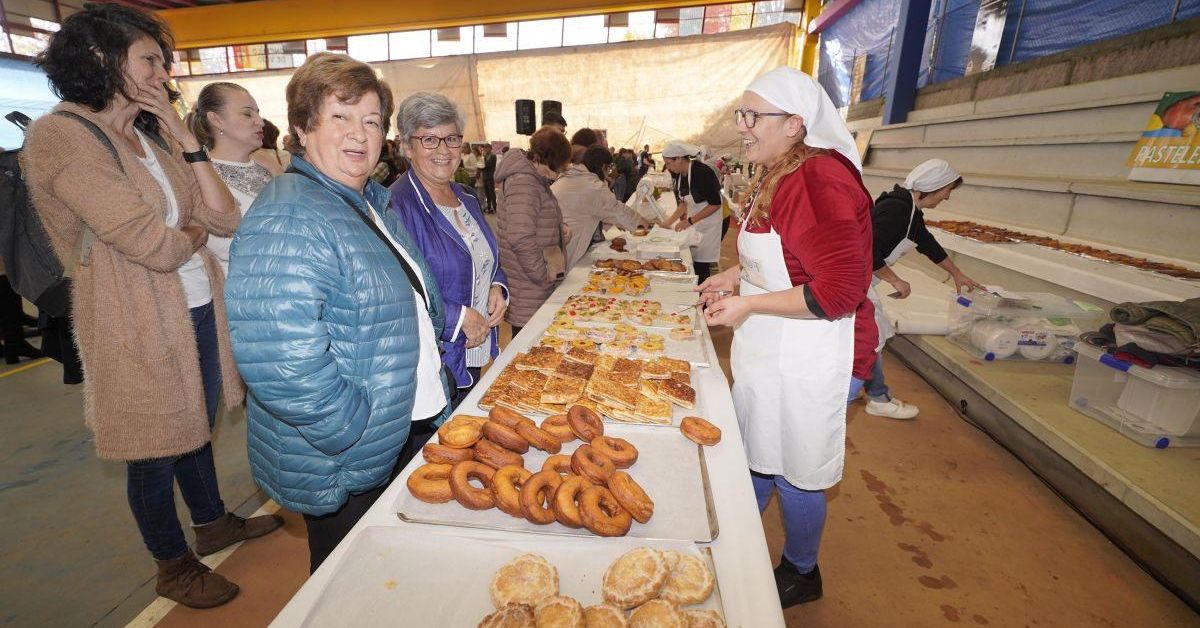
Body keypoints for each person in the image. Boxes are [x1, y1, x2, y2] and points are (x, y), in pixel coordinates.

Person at [23, 4, 282, 608]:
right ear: (100, 59)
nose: (163, 74)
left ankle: (213, 520)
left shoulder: (148, 134)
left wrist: (186, 138)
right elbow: (154, 244)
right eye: (149, 60)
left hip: (193, 303)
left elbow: (221, 215)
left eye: (164, 63)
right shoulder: (61, 136)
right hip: (132, 315)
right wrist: (188, 236)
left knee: (195, 424)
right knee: (152, 444)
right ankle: (172, 563)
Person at [225, 53, 450, 573]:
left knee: (389, 573)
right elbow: (281, 361)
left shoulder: (360, 200)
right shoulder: (291, 212)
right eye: (341, 117)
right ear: (303, 128)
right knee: (349, 582)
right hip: (346, 458)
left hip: (390, 433)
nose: (360, 134)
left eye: (372, 121)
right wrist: (354, 429)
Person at [697, 67, 877, 608]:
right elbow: (784, 260)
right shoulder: (780, 171)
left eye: (755, 116)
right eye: (742, 114)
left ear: (796, 124)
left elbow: (841, 290)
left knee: (797, 470)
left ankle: (802, 571)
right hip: (777, 346)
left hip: (816, 352)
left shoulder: (818, 180)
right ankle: (736, 548)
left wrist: (749, 303)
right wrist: (736, 277)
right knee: (758, 453)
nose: (743, 127)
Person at [389, 92, 509, 408]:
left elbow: (484, 257)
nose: (444, 150)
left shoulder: (466, 197)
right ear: (406, 146)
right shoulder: (396, 207)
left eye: (452, 139)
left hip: (473, 348)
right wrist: (457, 318)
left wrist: (498, 285)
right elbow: (398, 291)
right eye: (429, 140)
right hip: (434, 362)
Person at [865, 158, 984, 419]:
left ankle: (868, 394)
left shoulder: (909, 209)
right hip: (854, 280)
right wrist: (895, 279)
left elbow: (926, 243)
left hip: (860, 280)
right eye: (947, 190)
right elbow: (865, 251)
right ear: (934, 186)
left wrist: (957, 273)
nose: (947, 197)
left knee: (866, 338)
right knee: (870, 336)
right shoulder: (897, 210)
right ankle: (876, 397)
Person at [184, 82, 274, 276]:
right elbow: (226, 243)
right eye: (247, 114)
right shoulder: (200, 173)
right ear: (216, 119)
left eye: (258, 113)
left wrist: (276, 169)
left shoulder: (267, 165)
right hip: (239, 290)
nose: (260, 121)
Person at [496, 126, 571, 338]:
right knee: (528, 346)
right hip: (529, 285)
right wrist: (542, 274)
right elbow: (520, 237)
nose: (560, 173)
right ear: (545, 159)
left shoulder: (532, 177)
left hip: (531, 281)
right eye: (558, 167)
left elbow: (532, 221)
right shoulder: (525, 182)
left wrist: (558, 229)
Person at [553, 144, 651, 269]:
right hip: (566, 249)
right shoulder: (592, 186)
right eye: (608, 168)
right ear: (603, 166)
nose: (608, 174)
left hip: (554, 245)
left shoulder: (570, 177)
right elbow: (617, 211)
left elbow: (596, 210)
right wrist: (643, 224)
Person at [660, 141, 723, 281]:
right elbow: (684, 203)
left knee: (702, 264)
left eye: (669, 163)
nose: (668, 168)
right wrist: (667, 222)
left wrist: (689, 221)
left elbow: (715, 204)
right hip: (697, 220)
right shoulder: (679, 174)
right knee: (693, 259)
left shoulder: (701, 172)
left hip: (710, 222)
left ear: (679, 158)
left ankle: (704, 298)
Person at [480, 142, 497, 213]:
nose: (485, 149)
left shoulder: (493, 156)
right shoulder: (484, 157)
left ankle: (494, 207)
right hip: (484, 177)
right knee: (487, 193)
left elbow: (488, 165)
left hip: (490, 177)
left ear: (490, 148)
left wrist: (483, 162)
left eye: (487, 147)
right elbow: (481, 166)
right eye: (484, 148)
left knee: (491, 192)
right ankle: (489, 206)